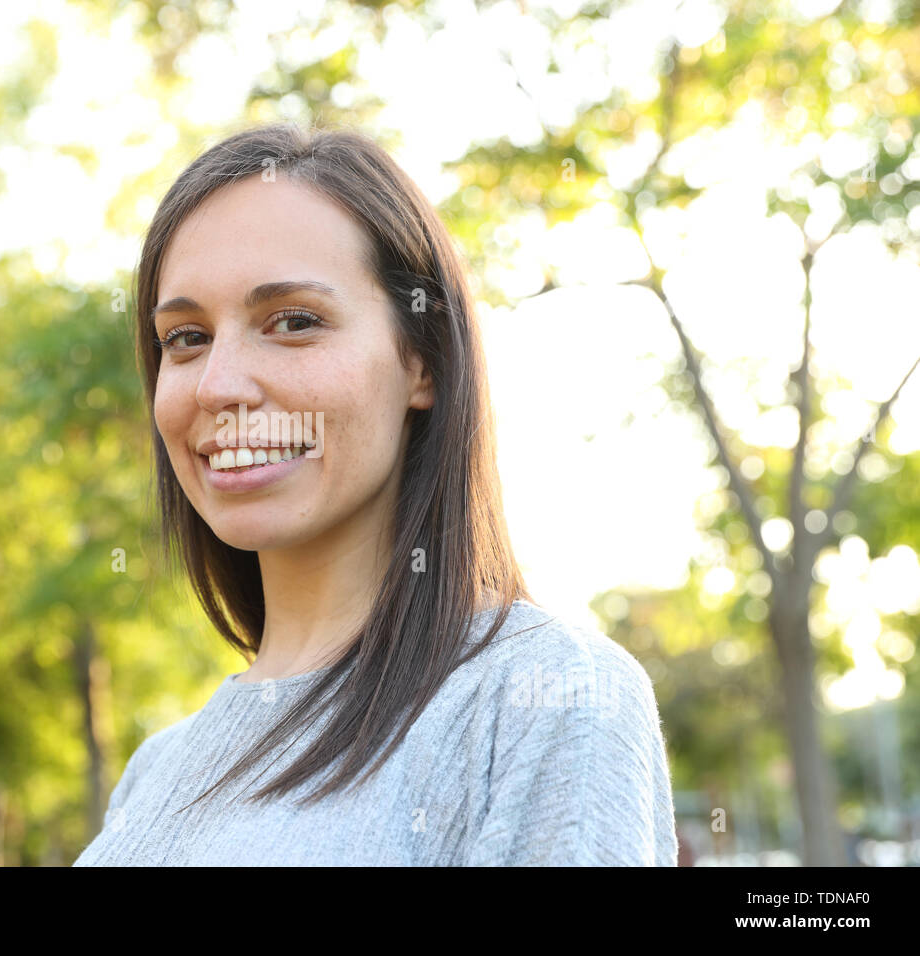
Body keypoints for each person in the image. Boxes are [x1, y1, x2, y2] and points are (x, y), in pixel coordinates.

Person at [73, 122, 678, 866]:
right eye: (185, 337)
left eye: (293, 322)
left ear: (421, 363)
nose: (218, 384)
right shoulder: (153, 774)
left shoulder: (544, 698)